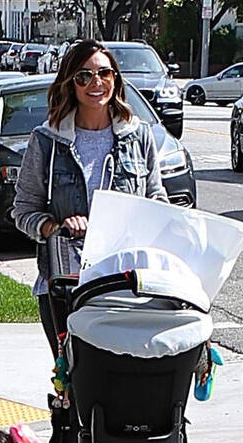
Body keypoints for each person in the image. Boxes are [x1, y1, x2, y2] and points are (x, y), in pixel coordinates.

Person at [13, 38, 168, 356]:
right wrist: (56, 228)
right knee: (74, 383)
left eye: (104, 74)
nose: (96, 83)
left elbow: (157, 200)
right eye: (84, 76)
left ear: (116, 79)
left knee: (125, 382)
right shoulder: (47, 141)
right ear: (70, 84)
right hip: (66, 285)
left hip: (125, 284)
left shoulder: (139, 136)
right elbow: (24, 211)